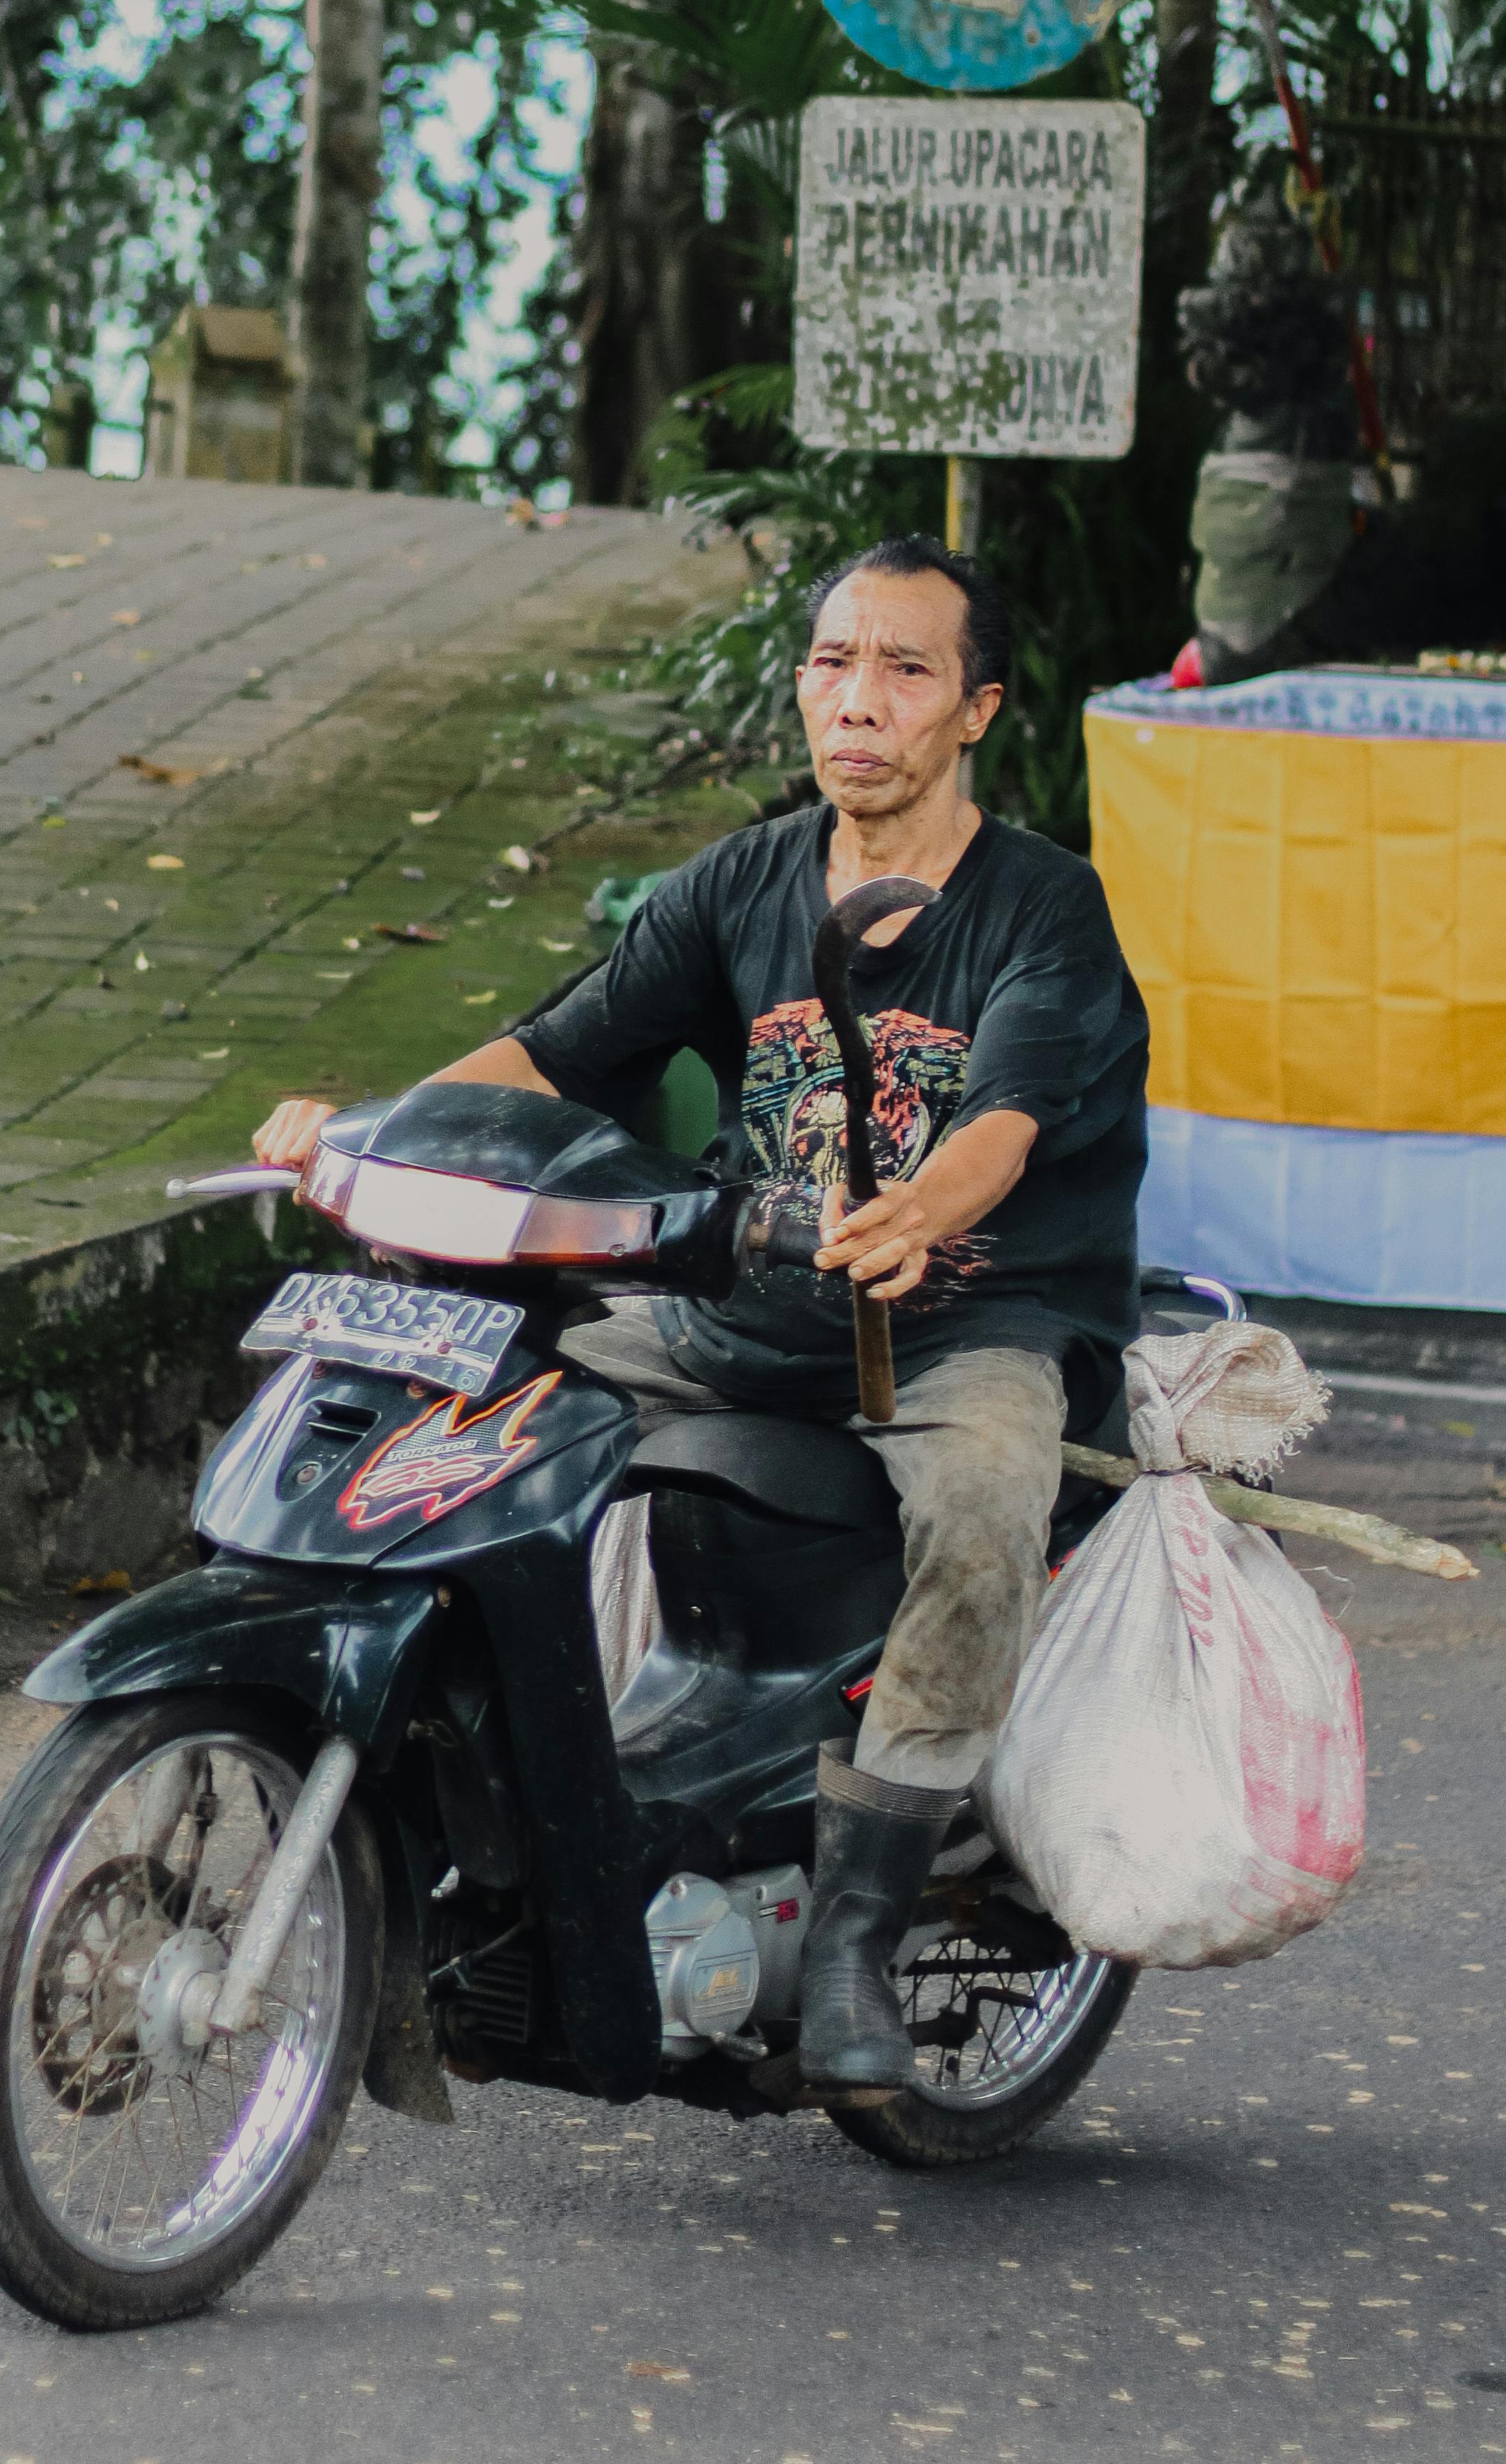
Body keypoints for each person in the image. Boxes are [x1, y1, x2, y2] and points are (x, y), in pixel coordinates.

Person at [253, 533, 1149, 2104]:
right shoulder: (741, 879)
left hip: (964, 1333)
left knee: (989, 1496)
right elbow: (559, 1051)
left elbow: (1008, 1117)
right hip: (740, 1316)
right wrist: (366, 1132)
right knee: (476, 1411)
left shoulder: (1041, 910)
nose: (855, 700)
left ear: (976, 711)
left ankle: (865, 1935)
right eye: (830, 663)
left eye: (903, 669)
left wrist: (916, 1211)